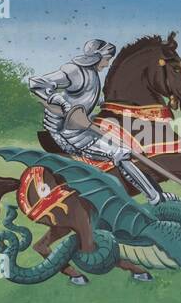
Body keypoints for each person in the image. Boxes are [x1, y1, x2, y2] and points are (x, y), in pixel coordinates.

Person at [28, 38, 161, 204]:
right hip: (67, 131)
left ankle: (153, 193)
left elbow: (84, 96)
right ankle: (154, 198)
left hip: (82, 125)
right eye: (106, 60)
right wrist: (58, 100)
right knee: (120, 153)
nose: (106, 64)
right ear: (96, 57)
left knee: (124, 144)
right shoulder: (73, 71)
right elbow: (37, 83)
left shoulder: (91, 73)